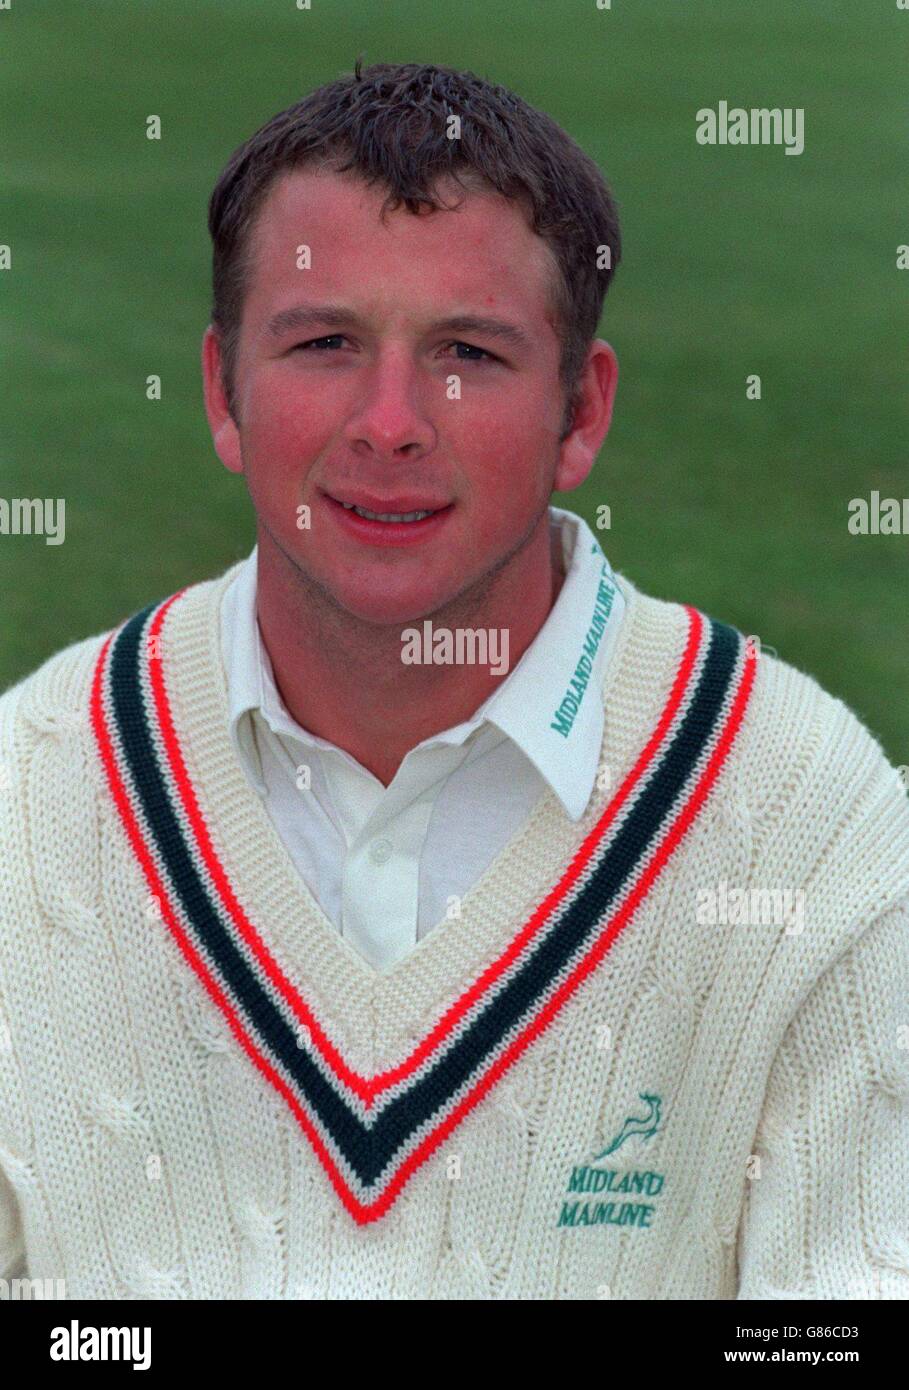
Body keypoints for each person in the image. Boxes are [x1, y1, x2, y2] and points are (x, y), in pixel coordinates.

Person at [0, 61, 907, 1301]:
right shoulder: (28, 790)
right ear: (222, 392)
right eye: (324, 342)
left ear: (580, 415)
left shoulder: (813, 818)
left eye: (468, 353)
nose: (390, 422)